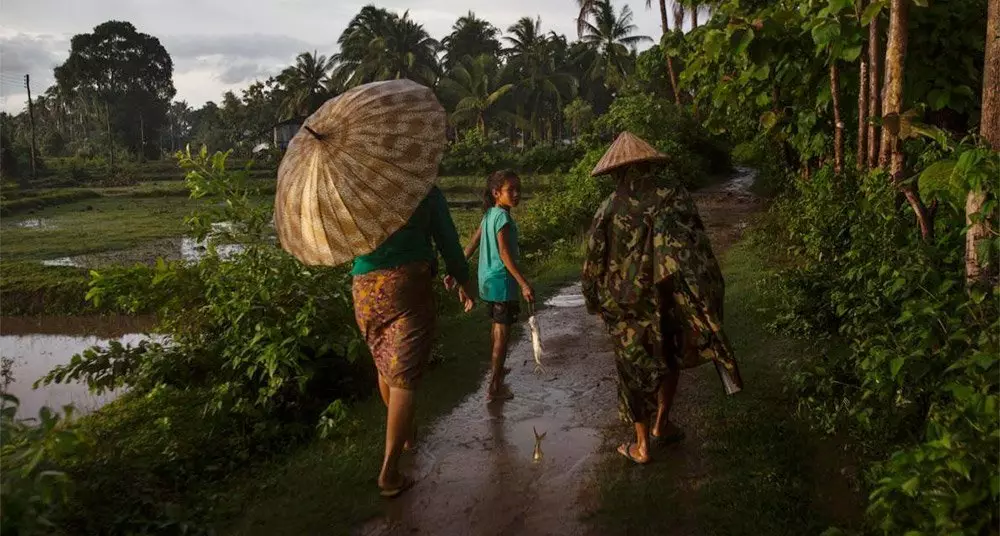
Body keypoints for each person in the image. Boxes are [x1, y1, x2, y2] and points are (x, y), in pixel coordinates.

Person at [581, 132, 743, 465]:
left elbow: (593, 262)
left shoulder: (607, 208)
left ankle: (641, 445)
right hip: (666, 295)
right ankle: (662, 423)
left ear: (615, 172)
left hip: (623, 304)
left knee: (631, 369)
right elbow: (696, 244)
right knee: (668, 355)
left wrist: (593, 301)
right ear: (649, 164)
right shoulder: (673, 197)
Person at [351, 184, 476, 497]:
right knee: (403, 377)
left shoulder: (360, 188)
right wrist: (464, 281)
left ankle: (406, 436)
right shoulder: (421, 188)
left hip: (364, 286)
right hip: (407, 282)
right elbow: (448, 241)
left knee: (384, 362)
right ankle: (389, 472)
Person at [446, 170, 534, 401]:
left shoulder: (489, 215)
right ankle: (495, 385)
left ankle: (497, 372)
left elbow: (471, 244)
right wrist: (523, 283)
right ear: (496, 193)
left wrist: (455, 270)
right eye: (510, 190)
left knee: (497, 328)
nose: (516, 194)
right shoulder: (502, 218)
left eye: (518, 190)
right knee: (503, 334)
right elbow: (505, 254)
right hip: (502, 282)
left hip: (487, 281)